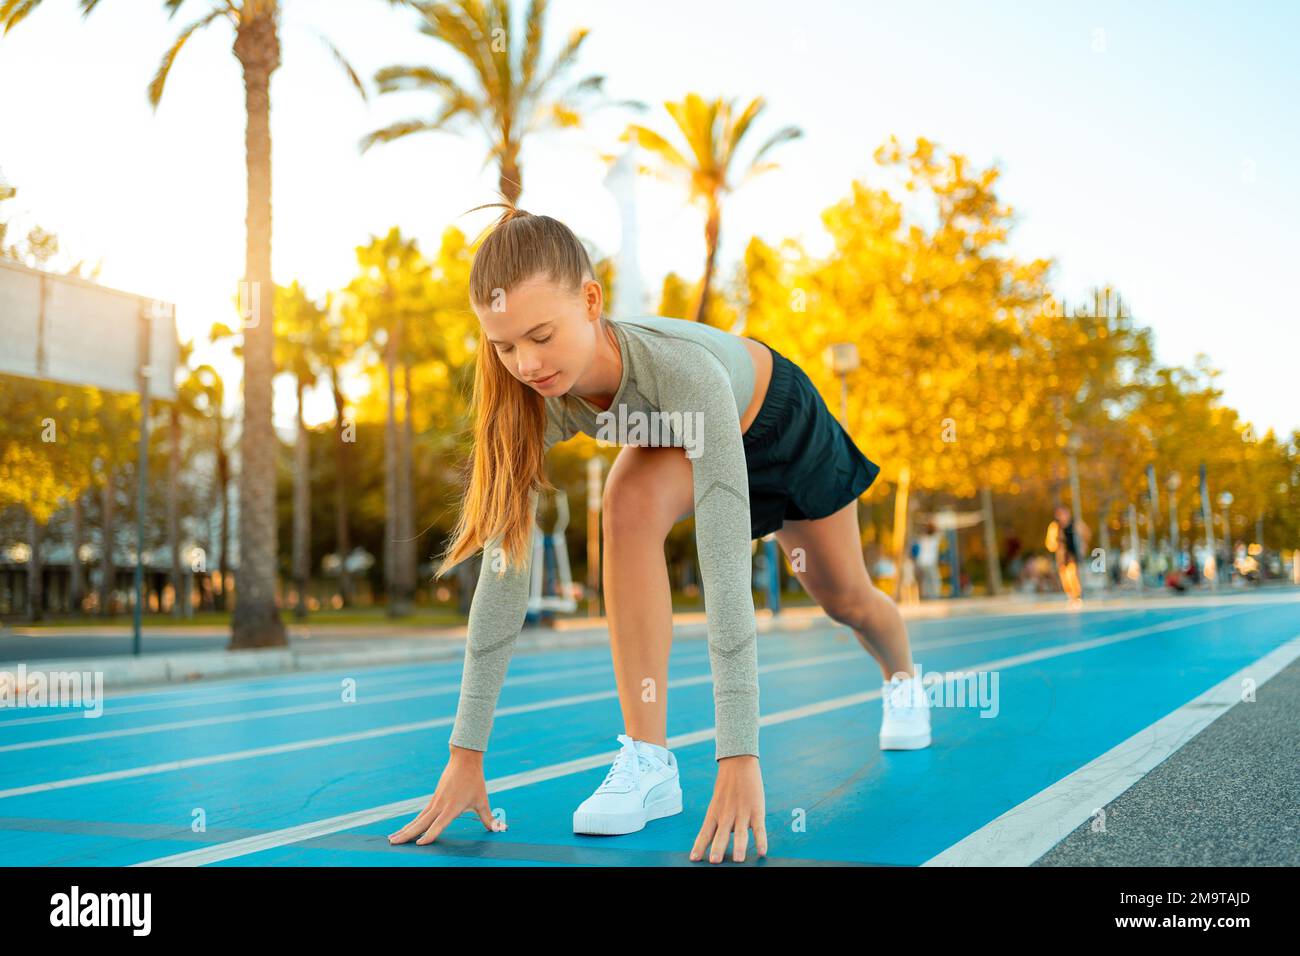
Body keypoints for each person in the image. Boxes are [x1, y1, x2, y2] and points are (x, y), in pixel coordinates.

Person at [386, 204, 930, 864]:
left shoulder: (678, 370)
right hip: (676, 438)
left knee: (843, 598)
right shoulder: (527, 404)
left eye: (540, 335)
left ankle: (902, 679)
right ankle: (649, 762)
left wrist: (739, 754)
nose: (526, 364)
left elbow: (726, 570)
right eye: (504, 346)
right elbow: (505, 572)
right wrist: (465, 754)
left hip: (776, 424)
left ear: (591, 301)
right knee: (626, 501)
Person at [1045, 505, 1089, 608]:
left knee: (1073, 573)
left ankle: (1076, 595)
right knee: (1064, 575)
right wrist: (1056, 544)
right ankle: (1071, 595)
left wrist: (1083, 544)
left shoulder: (1075, 523)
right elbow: (1050, 543)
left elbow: (1086, 533)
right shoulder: (1055, 526)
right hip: (1062, 554)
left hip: (1073, 553)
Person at [915, 523, 942, 599]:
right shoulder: (934, 539)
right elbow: (939, 532)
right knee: (934, 579)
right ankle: (934, 595)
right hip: (930, 562)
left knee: (926, 579)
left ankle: (927, 595)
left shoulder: (922, 539)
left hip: (921, 562)